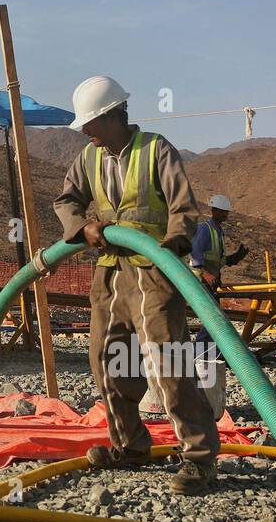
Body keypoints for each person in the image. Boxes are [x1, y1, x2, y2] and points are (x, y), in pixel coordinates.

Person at [53, 76, 220, 494]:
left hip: (154, 272)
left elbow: (184, 208)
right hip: (109, 274)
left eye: (92, 122)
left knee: (168, 360)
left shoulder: (156, 150)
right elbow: (66, 201)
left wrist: (170, 248)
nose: (86, 132)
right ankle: (129, 445)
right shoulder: (88, 159)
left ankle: (198, 459)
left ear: (116, 115)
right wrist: (82, 226)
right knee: (106, 360)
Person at [190, 194, 248, 290]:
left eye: (226, 211)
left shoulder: (219, 231)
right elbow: (195, 252)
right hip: (198, 282)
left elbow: (215, 259)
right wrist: (206, 274)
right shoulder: (204, 229)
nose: (224, 214)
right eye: (221, 211)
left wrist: (234, 258)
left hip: (210, 282)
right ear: (213, 210)